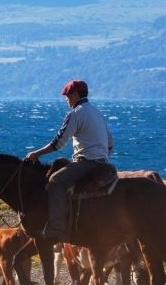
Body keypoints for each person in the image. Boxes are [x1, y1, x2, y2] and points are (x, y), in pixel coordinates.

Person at [24, 79, 115, 241]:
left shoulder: (75, 114)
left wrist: (36, 154)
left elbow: (58, 143)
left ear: (75, 94)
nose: (66, 99)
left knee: (55, 182)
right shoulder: (97, 113)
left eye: (67, 95)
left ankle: (56, 229)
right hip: (103, 163)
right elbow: (110, 144)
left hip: (87, 163)